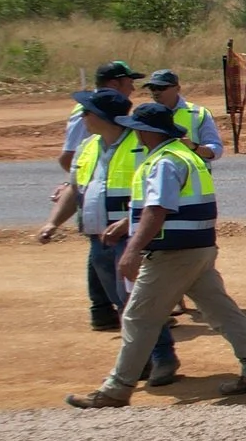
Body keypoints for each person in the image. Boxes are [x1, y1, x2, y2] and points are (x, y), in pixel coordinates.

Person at [67, 103, 246, 408]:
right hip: (198, 248)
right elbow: (162, 206)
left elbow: (158, 209)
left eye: (136, 127)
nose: (133, 132)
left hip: (172, 253)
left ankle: (116, 388)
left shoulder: (163, 161)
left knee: (138, 317)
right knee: (221, 310)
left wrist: (132, 250)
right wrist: (129, 224)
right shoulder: (184, 155)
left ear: (147, 132)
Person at [34, 92, 175, 378]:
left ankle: (163, 358)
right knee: (122, 303)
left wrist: (127, 224)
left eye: (86, 112)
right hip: (99, 240)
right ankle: (141, 360)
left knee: (140, 302)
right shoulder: (88, 147)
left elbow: (156, 196)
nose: (82, 117)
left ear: (100, 117)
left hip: (131, 238)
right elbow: (75, 190)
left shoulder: (141, 146)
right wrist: (53, 223)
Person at [59, 60, 141, 173]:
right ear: (114, 84)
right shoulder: (88, 112)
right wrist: (82, 183)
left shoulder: (113, 106)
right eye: (130, 83)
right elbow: (69, 157)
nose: (133, 89)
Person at [144, 69, 223, 162]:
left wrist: (194, 147)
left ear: (177, 88)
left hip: (190, 174)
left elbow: (216, 150)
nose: (156, 92)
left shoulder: (198, 114)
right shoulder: (144, 116)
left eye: (161, 87)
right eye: (152, 88)